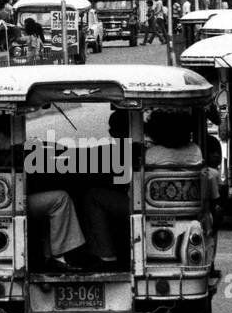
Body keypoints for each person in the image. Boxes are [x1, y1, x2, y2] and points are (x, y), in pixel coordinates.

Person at [77, 109, 208, 267]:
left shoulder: (153, 154)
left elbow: (134, 191)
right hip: (184, 211)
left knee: (93, 196)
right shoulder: (195, 151)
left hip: (148, 209)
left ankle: (106, 256)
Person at [0, 118, 88, 271]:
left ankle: (46, 257)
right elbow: (16, 146)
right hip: (5, 202)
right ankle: (59, 257)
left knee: (48, 206)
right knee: (61, 199)